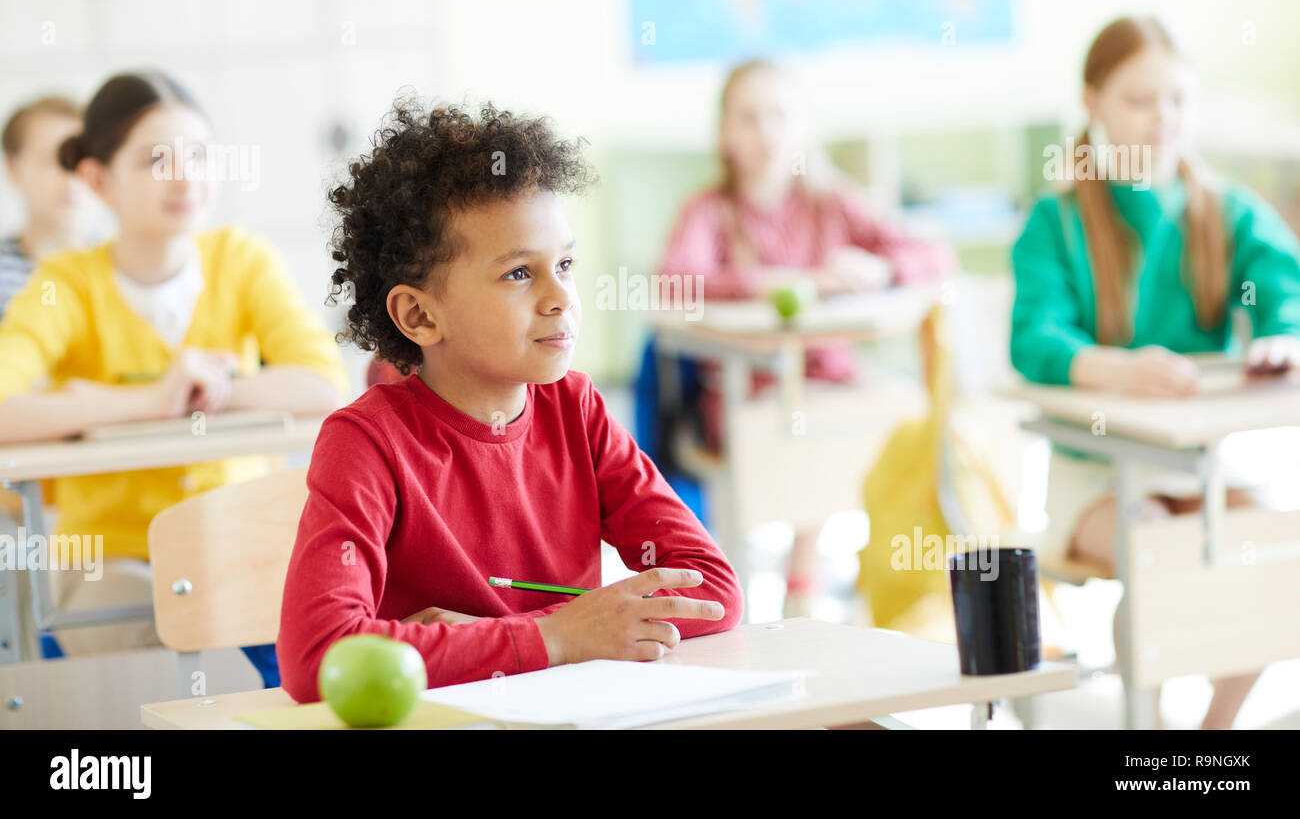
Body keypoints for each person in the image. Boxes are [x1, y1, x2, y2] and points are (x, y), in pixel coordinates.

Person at [276, 100, 743, 700]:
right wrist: (559, 639)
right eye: (520, 274)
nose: (560, 298)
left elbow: (712, 591)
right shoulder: (365, 443)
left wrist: (530, 635)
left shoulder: (576, 409)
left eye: (565, 264)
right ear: (419, 314)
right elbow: (317, 658)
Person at [0, 71, 349, 674]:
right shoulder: (67, 283)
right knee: (149, 635)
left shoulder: (241, 259)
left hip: (241, 536)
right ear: (96, 179)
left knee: (294, 624)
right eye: (156, 160)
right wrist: (152, 401)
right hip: (115, 560)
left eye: (199, 156)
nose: (186, 177)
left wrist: (221, 388)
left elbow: (322, 382)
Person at [1010, 16, 1300, 729]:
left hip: (1192, 472)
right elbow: (1034, 337)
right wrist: (1115, 369)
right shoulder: (1058, 220)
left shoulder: (1224, 210)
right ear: (1094, 104)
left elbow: (1279, 284)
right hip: (1094, 479)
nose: (1162, 118)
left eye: (1177, 100)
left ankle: (1206, 741)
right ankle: (1152, 733)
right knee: (1157, 559)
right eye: (1139, 100)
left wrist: (1280, 337)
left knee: (1279, 561)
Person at [656, 59, 955, 613]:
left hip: (833, 380)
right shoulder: (708, 211)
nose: (766, 132)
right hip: (745, 391)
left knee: (914, 419)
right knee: (796, 435)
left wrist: (881, 270)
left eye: (779, 115)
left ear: (803, 128)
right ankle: (776, 581)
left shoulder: (834, 202)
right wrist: (769, 284)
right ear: (723, 133)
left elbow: (933, 253)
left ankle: (826, 575)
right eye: (748, 117)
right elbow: (674, 282)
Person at [1, 96, 87, 313]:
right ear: (13, 168)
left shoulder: (121, 268)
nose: (71, 177)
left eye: (79, 160)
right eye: (51, 160)